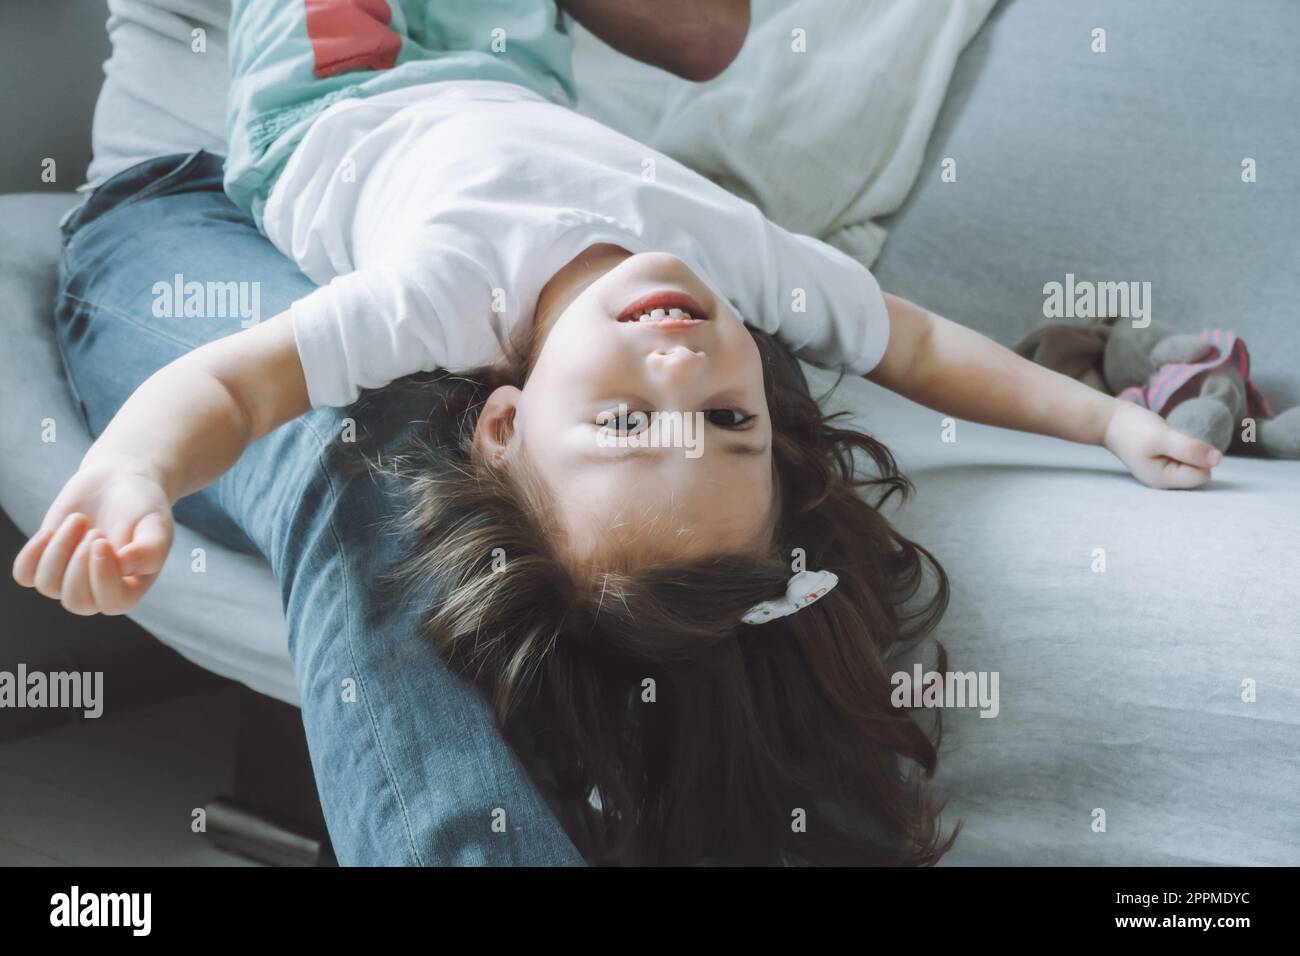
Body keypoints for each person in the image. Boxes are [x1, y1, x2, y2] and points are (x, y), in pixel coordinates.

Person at [16, 0, 1222, 864]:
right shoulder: (674, 286)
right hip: (197, 201)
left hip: (462, 203)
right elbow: (906, 341)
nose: (682, 372)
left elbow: (705, 35)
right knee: (378, 452)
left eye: (650, 415)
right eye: (706, 415)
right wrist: (133, 463)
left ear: (509, 405)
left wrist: (1104, 419)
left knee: (646, 478)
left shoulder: (539, 288)